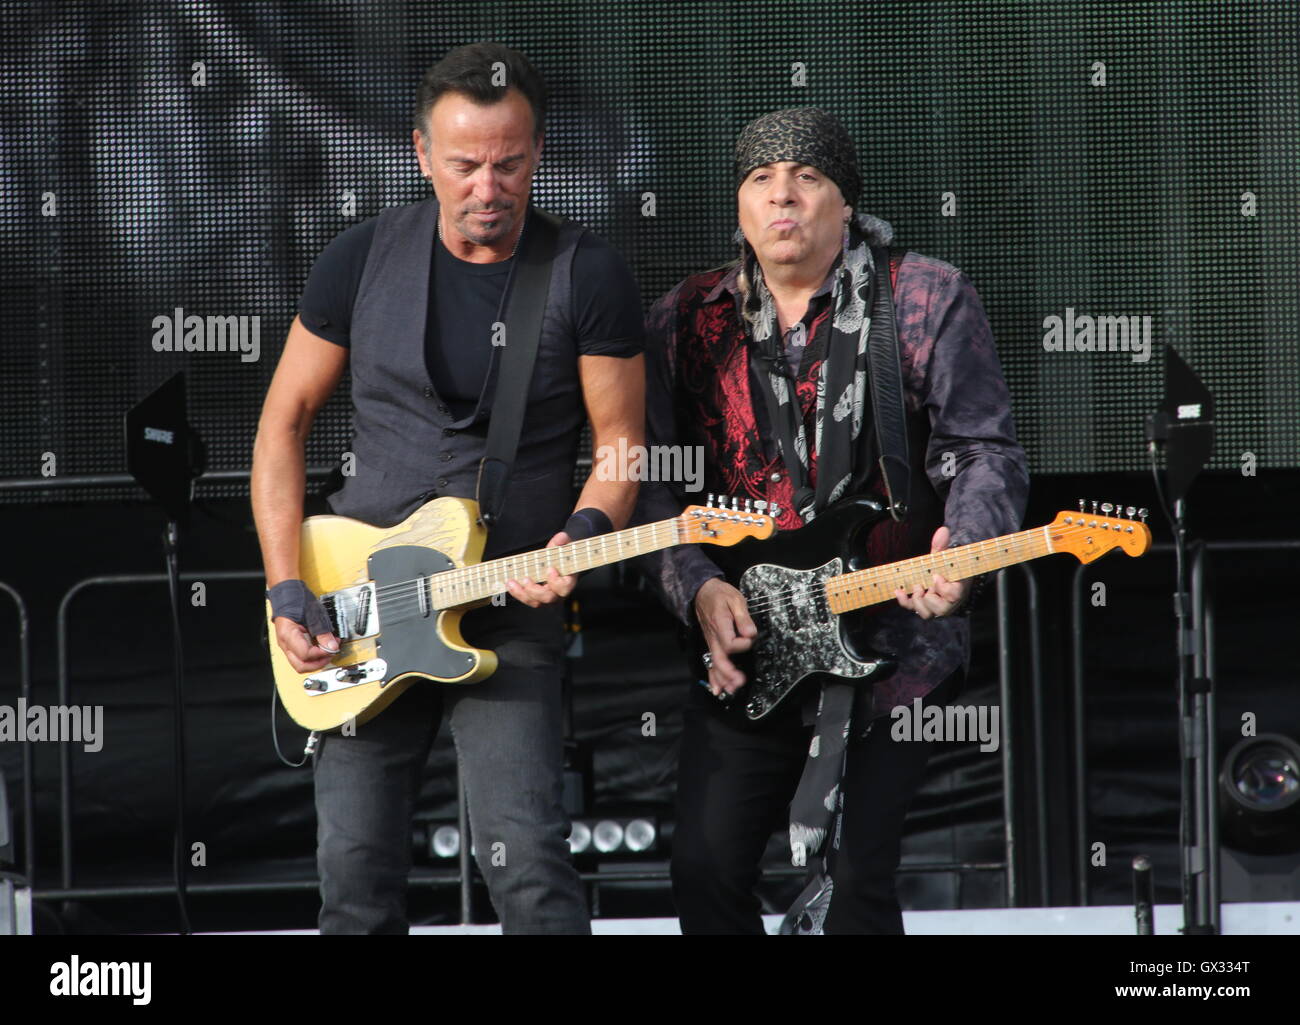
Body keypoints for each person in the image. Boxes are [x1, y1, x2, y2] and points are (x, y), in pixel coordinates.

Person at [251, 43, 645, 934]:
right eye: (465, 163)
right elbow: (280, 426)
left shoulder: (587, 274)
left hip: (506, 601)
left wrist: (579, 533)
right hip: (355, 603)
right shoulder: (358, 258)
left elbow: (622, 443)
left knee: (529, 865)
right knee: (352, 874)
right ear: (423, 154)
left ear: (538, 152)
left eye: (508, 162)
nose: (488, 185)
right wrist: (286, 587)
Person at [635, 107, 1029, 934]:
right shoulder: (684, 320)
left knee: (857, 890)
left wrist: (966, 550)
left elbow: (981, 449)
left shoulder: (922, 297)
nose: (783, 198)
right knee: (704, 872)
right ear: (738, 207)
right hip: (749, 637)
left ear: (845, 202)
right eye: (760, 180)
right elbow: (648, 486)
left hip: (893, 643)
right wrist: (697, 590)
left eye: (807, 179)